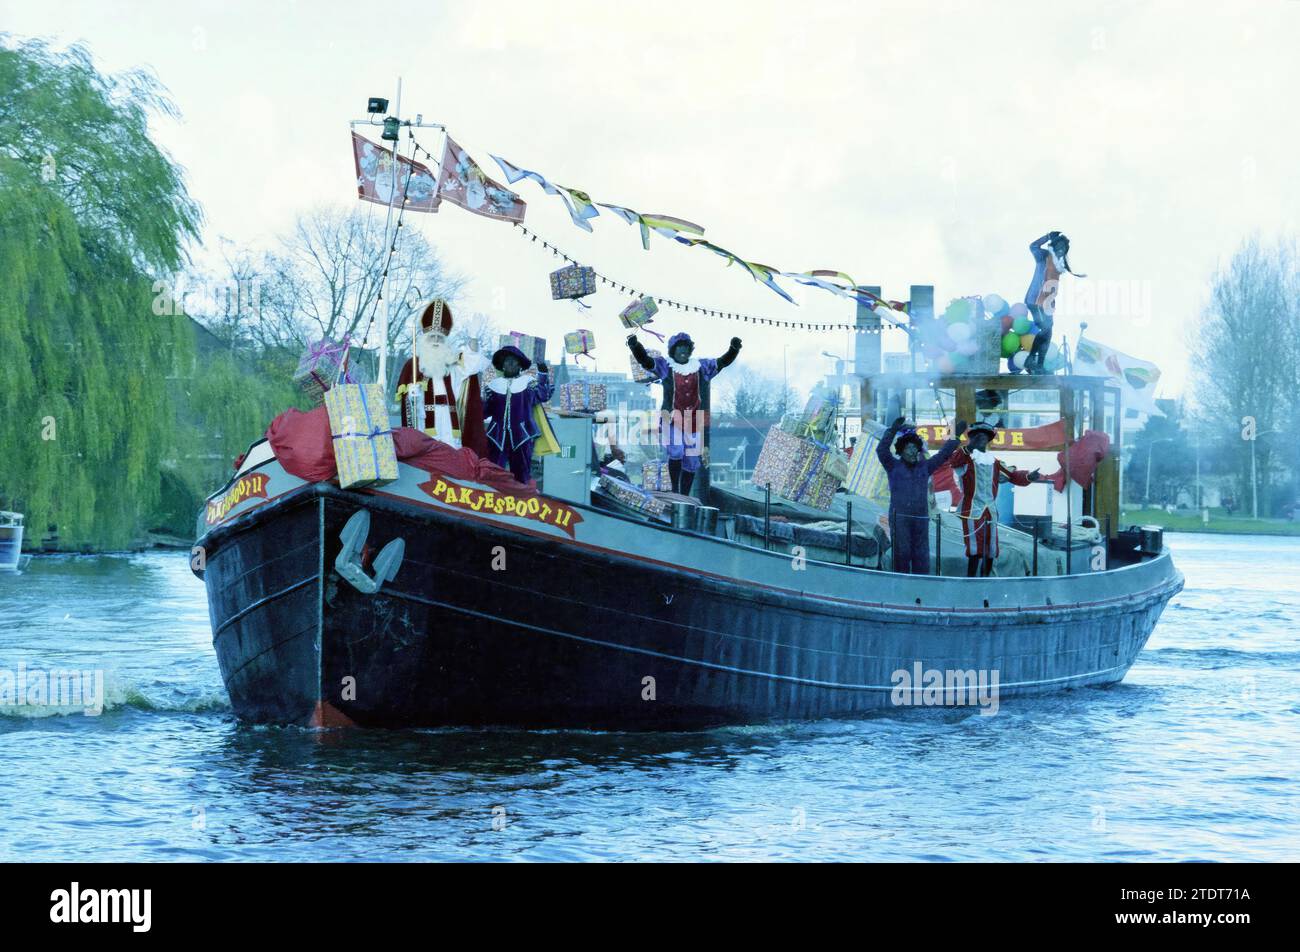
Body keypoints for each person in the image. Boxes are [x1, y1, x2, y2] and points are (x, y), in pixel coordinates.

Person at [627, 331, 742, 496]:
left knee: (692, 460)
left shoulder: (701, 367)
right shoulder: (666, 366)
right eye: (679, 347)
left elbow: (722, 362)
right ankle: (674, 490)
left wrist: (734, 349)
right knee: (677, 451)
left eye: (686, 348)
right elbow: (645, 360)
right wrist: (635, 345)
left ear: (690, 350)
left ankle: (684, 496)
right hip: (671, 418)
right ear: (673, 351)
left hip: (694, 421)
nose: (683, 351)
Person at [395, 299, 489, 456]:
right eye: (432, 337)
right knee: (426, 458)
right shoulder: (413, 365)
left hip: (448, 420)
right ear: (425, 339)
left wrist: (473, 337)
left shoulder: (451, 363)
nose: (437, 341)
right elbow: (405, 404)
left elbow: (473, 362)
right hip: (424, 420)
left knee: (450, 456)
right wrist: (411, 396)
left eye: (440, 337)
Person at [948, 420, 1042, 577]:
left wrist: (1029, 476)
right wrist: (969, 446)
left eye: (984, 436)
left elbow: (1012, 475)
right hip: (972, 510)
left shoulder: (995, 462)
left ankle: (986, 579)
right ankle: (971, 581)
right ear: (972, 438)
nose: (982, 438)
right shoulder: (965, 458)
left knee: (991, 549)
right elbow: (954, 460)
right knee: (974, 549)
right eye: (978, 436)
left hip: (990, 511)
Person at [878, 417, 966, 574]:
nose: (913, 451)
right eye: (909, 448)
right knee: (901, 555)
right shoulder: (893, 466)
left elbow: (943, 454)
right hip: (900, 519)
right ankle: (901, 586)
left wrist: (955, 437)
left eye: (915, 448)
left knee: (921, 555)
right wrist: (891, 431)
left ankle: (923, 586)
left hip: (920, 518)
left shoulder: (925, 467)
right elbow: (882, 450)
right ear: (901, 451)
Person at [482, 345, 556, 486]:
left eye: (514, 361)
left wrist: (542, 372)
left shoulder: (528, 382)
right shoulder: (493, 385)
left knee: (521, 475)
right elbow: (485, 412)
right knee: (493, 472)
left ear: (520, 365)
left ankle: (520, 501)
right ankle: (492, 500)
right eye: (506, 361)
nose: (510, 364)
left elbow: (543, 395)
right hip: (497, 436)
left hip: (523, 435)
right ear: (502, 365)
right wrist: (481, 401)